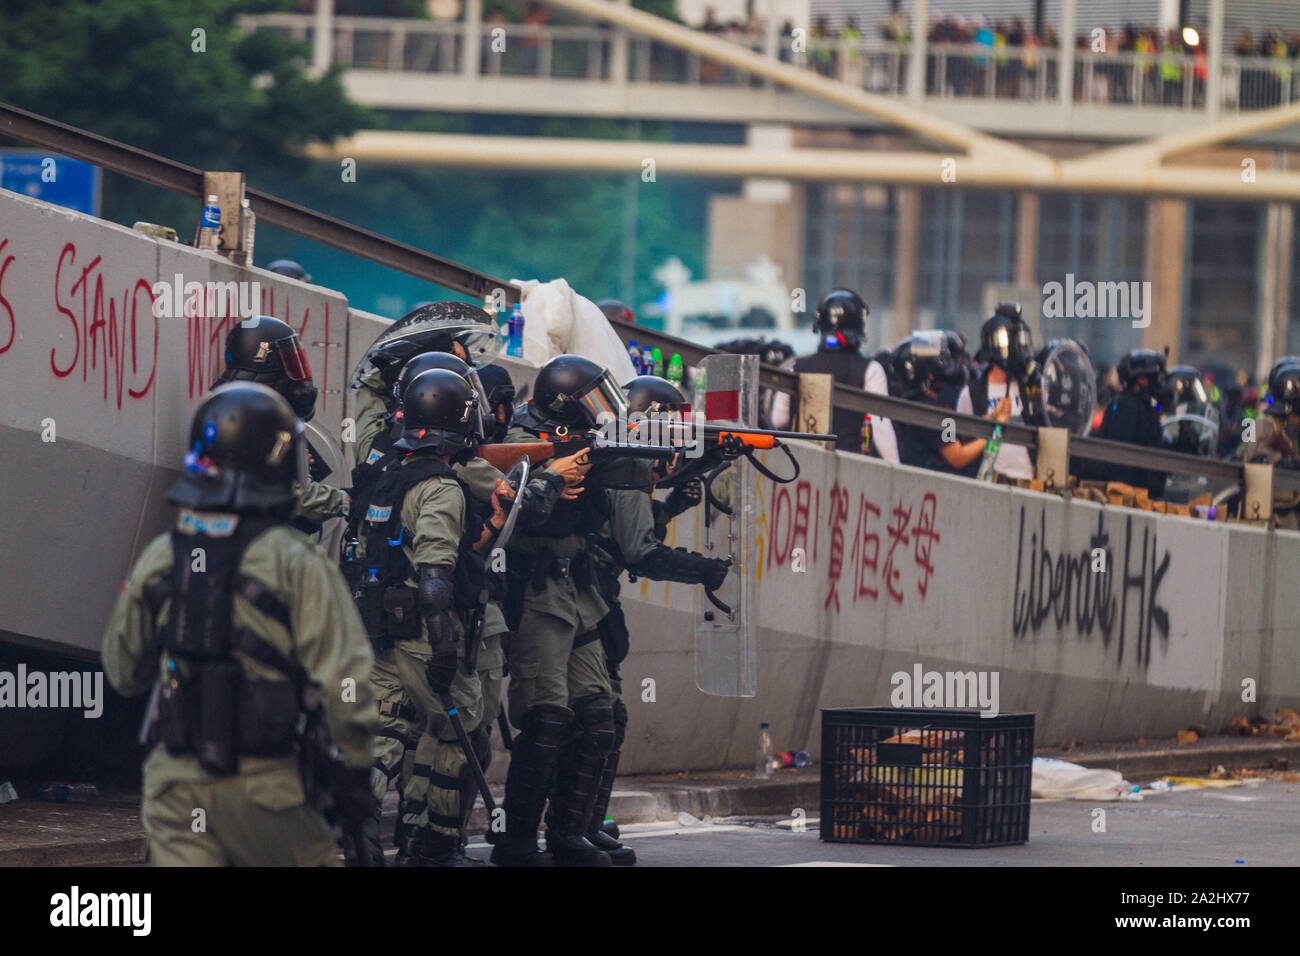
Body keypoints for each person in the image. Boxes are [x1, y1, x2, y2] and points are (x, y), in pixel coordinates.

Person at [102, 383, 378, 865]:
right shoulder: (302, 564)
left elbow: (124, 671)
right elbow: (347, 688)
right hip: (272, 794)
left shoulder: (163, 556)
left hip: (176, 792)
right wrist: (352, 776)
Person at [491, 355, 632, 867]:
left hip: (581, 589)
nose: (602, 411)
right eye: (591, 400)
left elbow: (632, 479)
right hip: (537, 593)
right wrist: (552, 474)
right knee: (547, 717)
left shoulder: (590, 443)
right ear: (560, 404)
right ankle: (517, 840)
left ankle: (571, 835)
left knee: (598, 715)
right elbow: (510, 516)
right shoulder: (520, 444)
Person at [583, 376, 723, 864]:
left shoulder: (624, 461)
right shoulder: (627, 464)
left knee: (596, 720)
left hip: (588, 598)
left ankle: (583, 824)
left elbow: (624, 528)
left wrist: (668, 506)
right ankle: (574, 829)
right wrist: (703, 569)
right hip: (581, 602)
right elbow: (639, 552)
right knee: (595, 720)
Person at [215, 315, 350, 534]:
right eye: (289, 364)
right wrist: (345, 501)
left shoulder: (234, 407)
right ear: (263, 363)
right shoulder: (245, 416)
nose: (297, 376)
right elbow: (290, 493)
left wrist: (294, 460)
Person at [769, 288, 899, 460]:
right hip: (849, 471)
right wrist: (895, 469)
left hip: (802, 468)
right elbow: (880, 426)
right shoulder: (871, 370)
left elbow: (778, 420)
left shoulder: (796, 367)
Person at [893, 332, 1006, 473]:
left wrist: (992, 417)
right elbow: (957, 456)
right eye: (940, 363)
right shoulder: (934, 412)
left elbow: (956, 430)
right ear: (926, 373)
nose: (948, 369)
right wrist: (996, 432)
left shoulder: (919, 403)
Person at [955, 304, 1036, 481]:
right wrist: (992, 421)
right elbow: (958, 435)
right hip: (991, 480)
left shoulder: (1030, 388)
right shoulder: (973, 392)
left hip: (1030, 482)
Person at [1091, 348, 1170, 498]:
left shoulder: (1148, 406)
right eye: (1156, 377)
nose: (1159, 382)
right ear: (1142, 380)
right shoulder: (1128, 407)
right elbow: (1120, 463)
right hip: (1129, 500)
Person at [1237, 357, 1300, 527]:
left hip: (1292, 513)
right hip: (1265, 515)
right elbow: (1249, 458)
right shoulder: (1259, 424)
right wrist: (1279, 459)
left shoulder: (1293, 430)